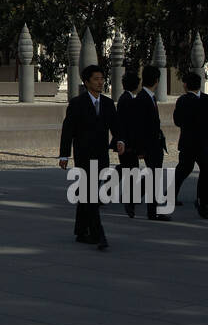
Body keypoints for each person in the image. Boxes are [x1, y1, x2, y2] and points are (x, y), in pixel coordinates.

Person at [59, 64, 118, 251]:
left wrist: (121, 141)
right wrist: (64, 154)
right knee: (92, 196)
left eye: (102, 78)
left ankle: (80, 230)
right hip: (84, 156)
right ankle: (98, 234)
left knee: (87, 194)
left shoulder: (108, 104)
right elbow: (68, 131)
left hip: (101, 156)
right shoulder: (77, 103)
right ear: (86, 82)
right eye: (96, 79)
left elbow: (116, 128)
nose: (100, 82)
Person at [126, 65, 171, 220]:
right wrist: (140, 148)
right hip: (149, 145)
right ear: (157, 80)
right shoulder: (143, 99)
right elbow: (139, 126)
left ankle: (139, 204)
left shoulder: (148, 97)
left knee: (153, 177)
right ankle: (149, 209)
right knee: (154, 177)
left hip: (155, 143)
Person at [173, 72, 208, 219]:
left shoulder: (182, 100)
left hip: (187, 142)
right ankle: (202, 200)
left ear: (186, 85)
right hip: (203, 143)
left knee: (183, 169)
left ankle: (170, 195)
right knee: (205, 170)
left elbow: (177, 121)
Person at [113, 70, 141, 218]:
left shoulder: (124, 98)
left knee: (124, 169)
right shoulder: (129, 100)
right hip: (127, 143)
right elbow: (129, 125)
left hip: (124, 141)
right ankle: (130, 199)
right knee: (132, 170)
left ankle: (104, 192)